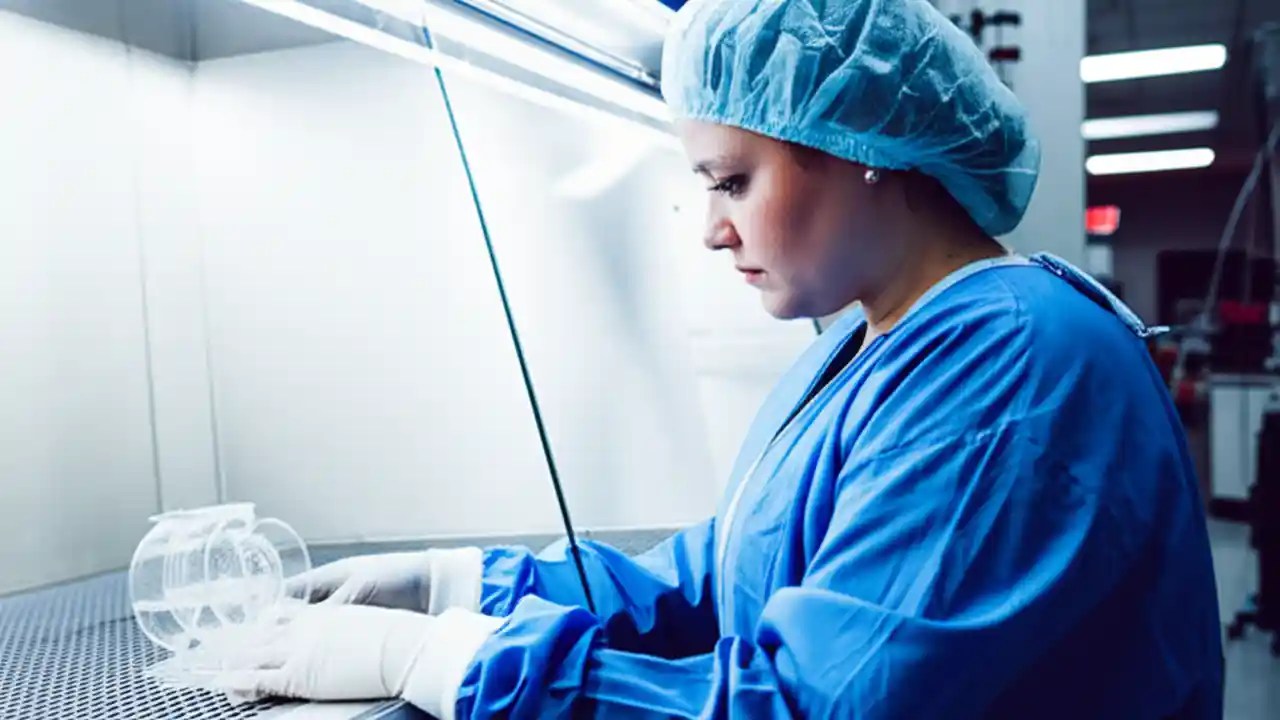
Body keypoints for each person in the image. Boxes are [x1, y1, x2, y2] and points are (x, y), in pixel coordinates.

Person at [215, 0, 1224, 717]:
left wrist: (434, 662)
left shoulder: (1006, 373)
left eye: (730, 180)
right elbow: (717, 579)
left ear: (863, 142)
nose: (709, 229)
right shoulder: (868, 345)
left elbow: (811, 707)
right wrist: (452, 587)